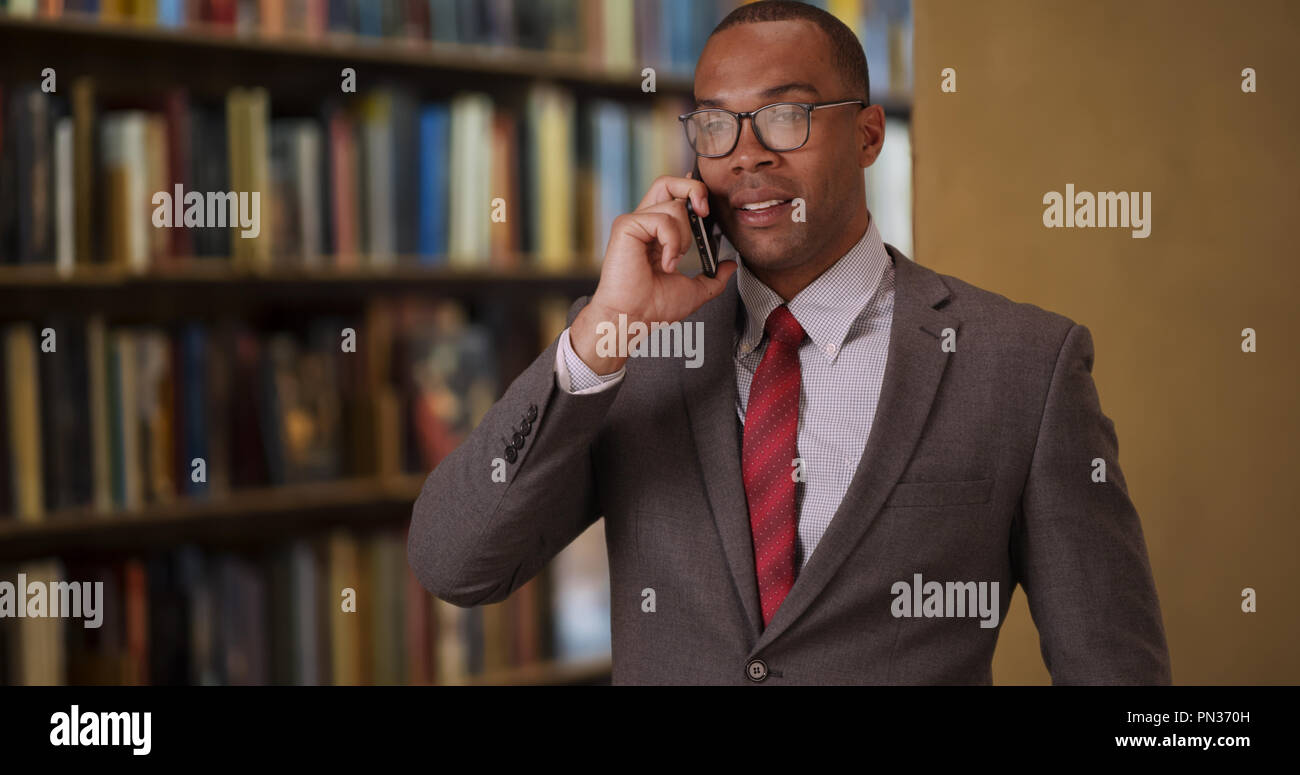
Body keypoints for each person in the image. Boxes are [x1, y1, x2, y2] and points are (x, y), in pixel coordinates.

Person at [407, 0, 1172, 684]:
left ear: (869, 134)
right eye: (715, 124)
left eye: (785, 116)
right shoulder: (630, 352)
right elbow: (455, 562)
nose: (747, 155)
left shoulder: (1024, 367)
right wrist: (601, 335)